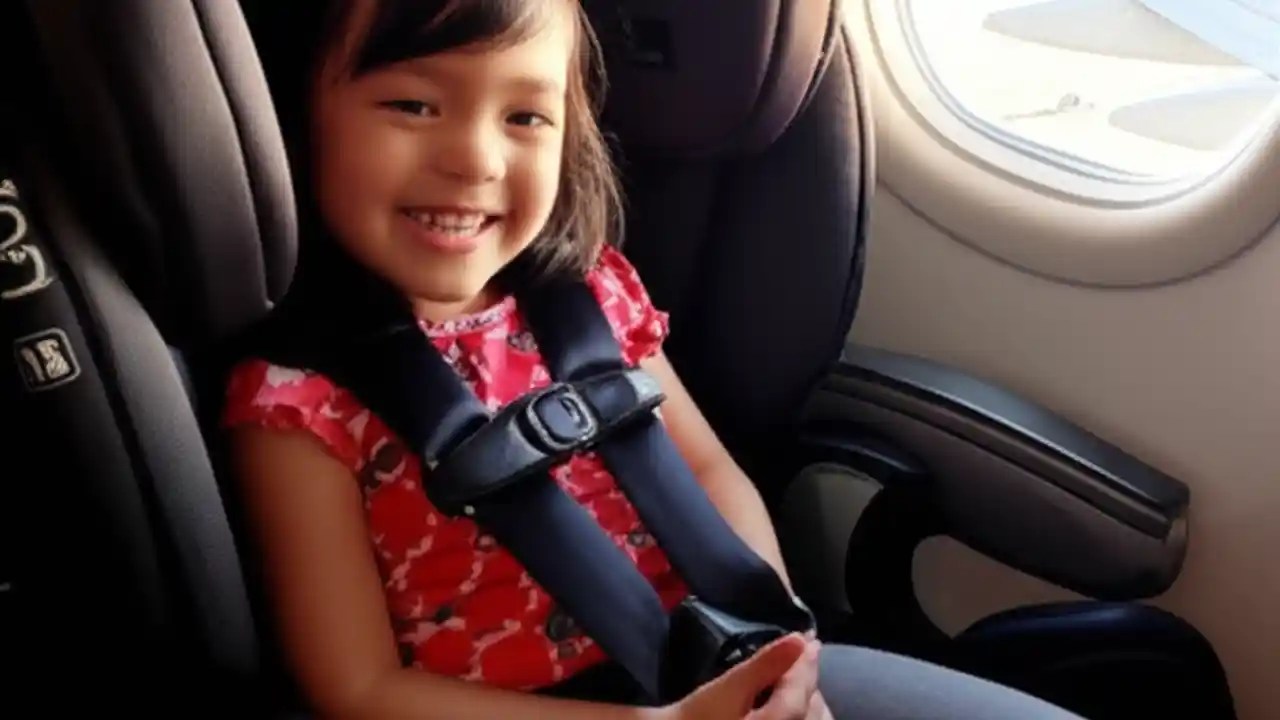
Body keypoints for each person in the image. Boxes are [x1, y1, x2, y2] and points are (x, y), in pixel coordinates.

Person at [222, 1, 1087, 718]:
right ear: (300, 119)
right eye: (413, 105)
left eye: (525, 116)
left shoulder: (591, 294)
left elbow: (710, 474)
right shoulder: (298, 400)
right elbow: (360, 689)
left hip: (724, 669)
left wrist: (783, 649)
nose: (475, 159)